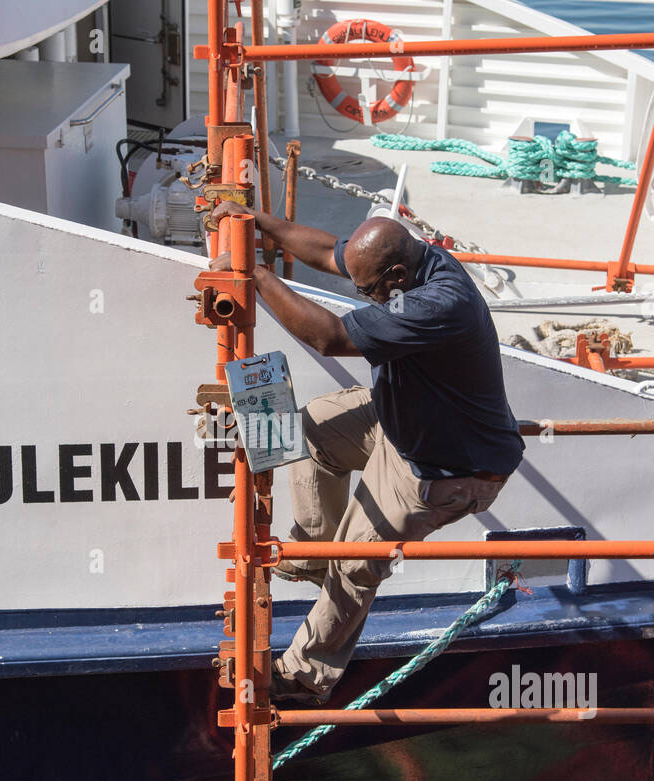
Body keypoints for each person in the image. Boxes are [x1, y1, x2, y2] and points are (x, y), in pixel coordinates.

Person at [208, 202, 525, 704]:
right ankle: (313, 553)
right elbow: (329, 253)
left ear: (397, 275)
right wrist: (261, 224)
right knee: (308, 428)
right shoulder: (414, 260)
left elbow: (329, 338)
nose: (364, 297)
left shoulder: (437, 303)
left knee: (354, 562)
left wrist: (257, 276)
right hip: (406, 423)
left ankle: (304, 677)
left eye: (369, 291)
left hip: (444, 468)